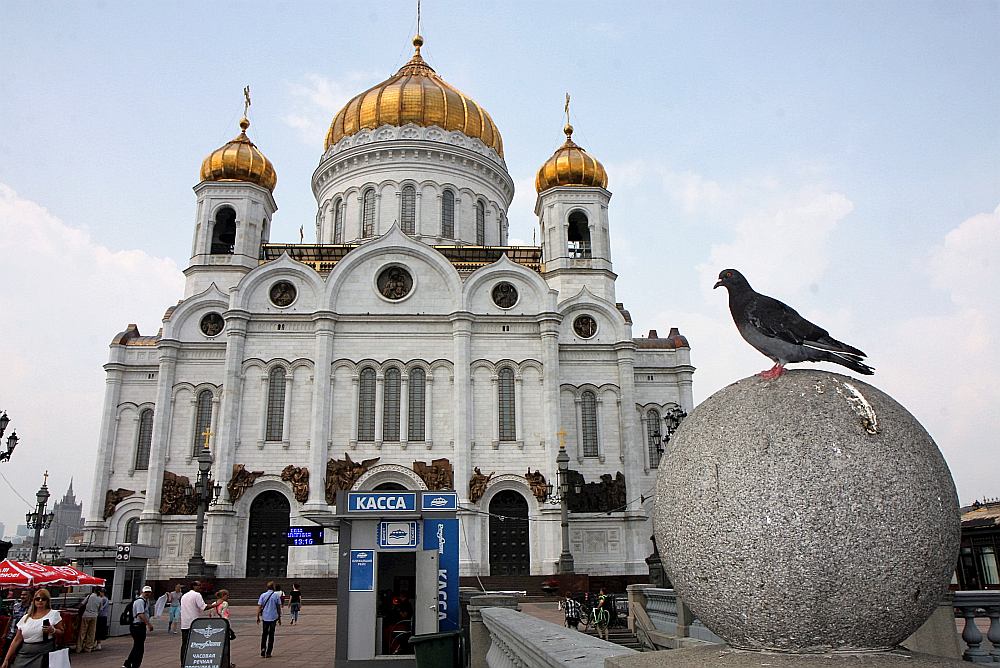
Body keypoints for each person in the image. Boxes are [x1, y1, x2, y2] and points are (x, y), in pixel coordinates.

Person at [1, 588, 63, 668]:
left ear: (47, 601)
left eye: (43, 599)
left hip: (43, 653)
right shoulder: (26, 617)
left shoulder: (54, 614)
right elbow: (17, 640)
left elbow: (61, 632)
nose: (40, 601)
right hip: (25, 653)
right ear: (34, 601)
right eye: (37, 599)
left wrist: (53, 630)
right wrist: (6, 659)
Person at [180, 580, 220, 666]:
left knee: (184, 644)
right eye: (199, 585)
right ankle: (192, 660)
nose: (200, 587)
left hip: (184, 622)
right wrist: (216, 604)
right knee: (195, 643)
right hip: (194, 623)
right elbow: (203, 607)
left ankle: (183, 662)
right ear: (194, 586)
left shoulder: (184, 595)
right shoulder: (197, 595)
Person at [123, 585, 154, 668]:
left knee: (137, 645)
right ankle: (135, 665)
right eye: (146, 592)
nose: (147, 593)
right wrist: (149, 624)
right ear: (142, 592)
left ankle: (128, 663)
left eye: (148, 592)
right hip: (137, 626)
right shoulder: (140, 601)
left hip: (138, 626)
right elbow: (140, 614)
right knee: (139, 648)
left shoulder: (145, 600)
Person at [256, 580, 282, 658]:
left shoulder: (263, 595)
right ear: (273, 587)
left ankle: (263, 649)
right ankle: (269, 652)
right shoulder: (276, 596)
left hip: (265, 617)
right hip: (273, 617)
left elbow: (259, 606)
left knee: (264, 634)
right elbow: (278, 607)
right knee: (271, 635)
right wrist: (279, 617)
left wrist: (257, 616)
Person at [0, 591, 29, 659]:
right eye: (21, 595)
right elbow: (11, 619)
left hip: (22, 636)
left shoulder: (32, 608)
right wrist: (5, 633)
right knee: (5, 654)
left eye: (25, 595)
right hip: (11, 634)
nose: (22, 596)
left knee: (18, 656)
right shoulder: (16, 606)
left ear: (29, 596)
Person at [75, 586, 101, 653]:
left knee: (82, 632)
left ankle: (79, 648)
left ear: (94, 590)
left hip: (86, 615)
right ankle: (88, 648)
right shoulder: (100, 598)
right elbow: (100, 609)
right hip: (94, 616)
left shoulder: (90, 596)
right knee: (91, 633)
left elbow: (82, 604)